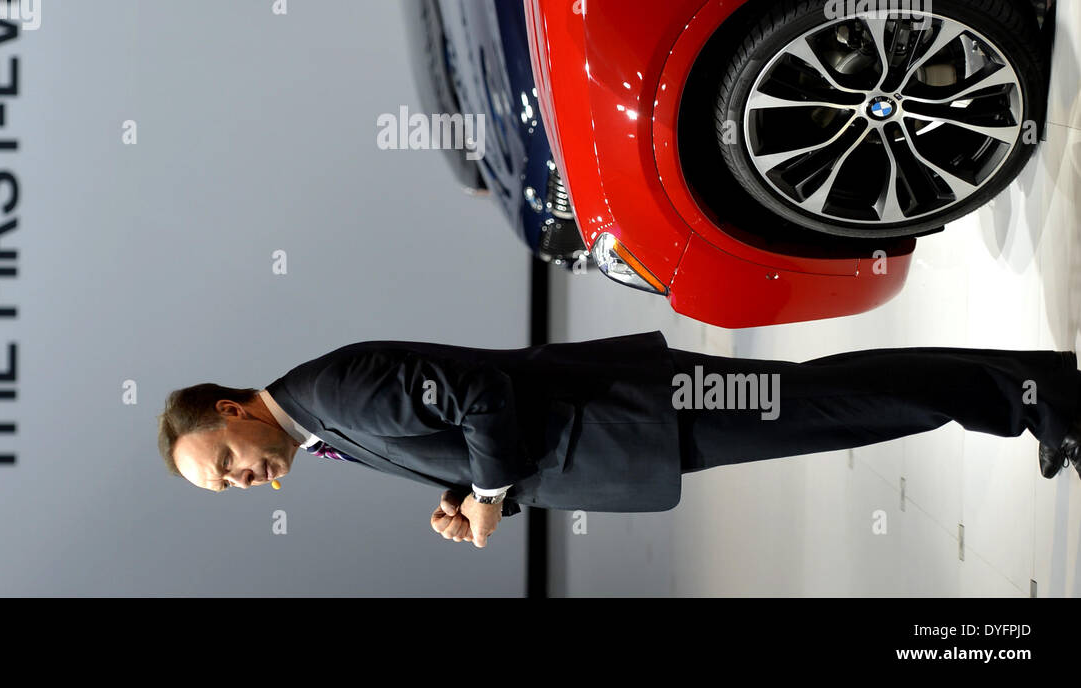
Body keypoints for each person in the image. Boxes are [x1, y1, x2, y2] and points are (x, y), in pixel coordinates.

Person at [157, 332, 1081, 549]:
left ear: (232, 411)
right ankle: (1030, 390)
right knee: (835, 400)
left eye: (224, 465)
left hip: (642, 409)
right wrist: (466, 495)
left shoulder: (330, 392)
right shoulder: (321, 424)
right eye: (224, 487)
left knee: (840, 402)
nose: (239, 481)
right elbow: (456, 424)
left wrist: (490, 495)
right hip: (636, 424)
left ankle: (1042, 394)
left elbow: (481, 393)